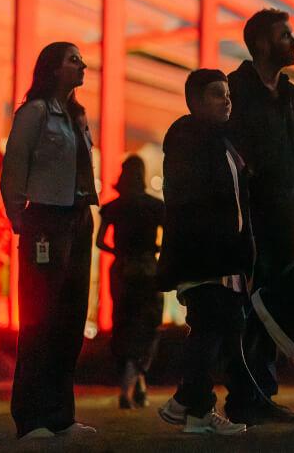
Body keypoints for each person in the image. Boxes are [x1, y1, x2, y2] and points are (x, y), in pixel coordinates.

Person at [225, 8, 294, 423]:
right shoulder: (233, 92)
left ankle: (259, 394)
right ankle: (247, 396)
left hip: (287, 220)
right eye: (285, 35)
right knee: (249, 306)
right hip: (250, 221)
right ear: (262, 43)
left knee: (273, 305)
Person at [0, 42, 99, 439]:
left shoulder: (78, 116)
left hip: (78, 216)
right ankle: (30, 418)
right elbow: (15, 161)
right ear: (52, 69)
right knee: (40, 320)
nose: (82, 65)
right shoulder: (35, 113)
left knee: (70, 320)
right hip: (46, 217)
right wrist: (17, 212)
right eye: (73, 59)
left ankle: (61, 416)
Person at [155, 69, 257, 436]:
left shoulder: (222, 142)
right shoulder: (189, 141)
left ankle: (189, 405)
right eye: (217, 94)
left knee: (223, 327)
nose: (226, 99)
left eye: (227, 93)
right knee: (210, 329)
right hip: (204, 256)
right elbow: (191, 203)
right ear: (195, 101)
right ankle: (193, 408)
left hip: (223, 257)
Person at [96, 155, 166, 410]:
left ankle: (131, 384)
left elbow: (100, 241)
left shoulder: (113, 207)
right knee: (149, 326)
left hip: (122, 270)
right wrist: (155, 249)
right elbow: (169, 237)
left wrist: (118, 252)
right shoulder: (155, 206)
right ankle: (136, 381)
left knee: (124, 324)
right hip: (148, 269)